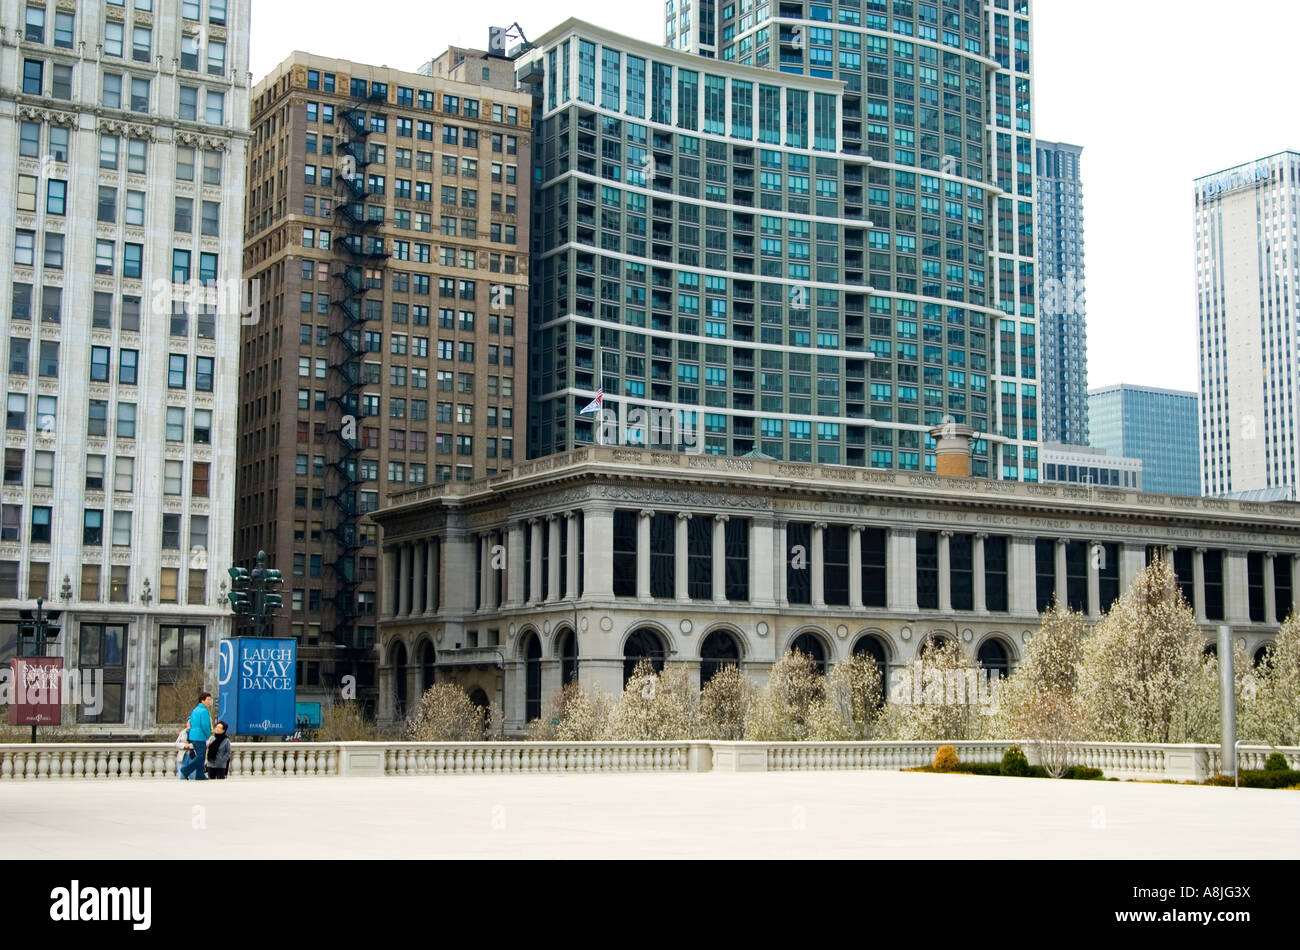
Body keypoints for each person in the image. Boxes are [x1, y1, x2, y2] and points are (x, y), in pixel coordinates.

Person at [179, 691, 214, 780]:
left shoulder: (195, 710)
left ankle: (199, 775)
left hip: (193, 736)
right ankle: (186, 770)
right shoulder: (204, 711)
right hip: (200, 736)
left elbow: (191, 723)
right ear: (202, 700)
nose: (210, 702)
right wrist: (208, 735)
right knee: (201, 756)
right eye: (208, 700)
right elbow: (205, 725)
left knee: (200, 756)